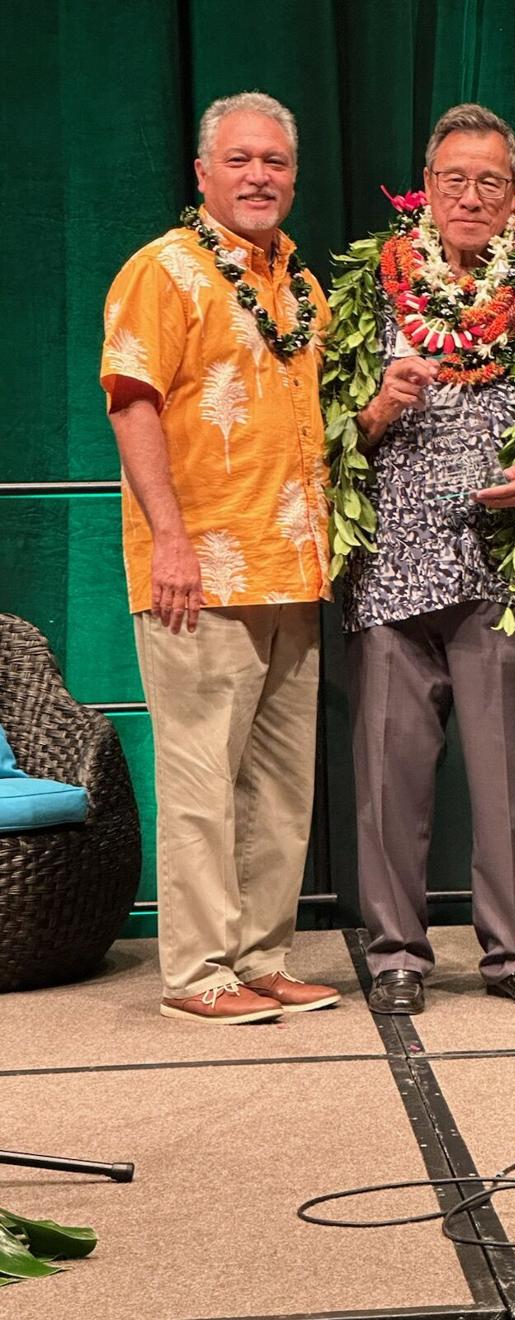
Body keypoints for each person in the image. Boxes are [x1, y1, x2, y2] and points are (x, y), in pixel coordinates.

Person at [324, 103, 515, 1015]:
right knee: (387, 778)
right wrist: (377, 409)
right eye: (454, 178)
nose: (471, 195)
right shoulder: (370, 287)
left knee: (507, 781)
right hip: (393, 564)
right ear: (426, 186)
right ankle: (398, 954)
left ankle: (513, 952)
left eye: (490, 180)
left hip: (512, 567)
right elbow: (324, 435)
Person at [100, 92, 340, 1023]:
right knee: (202, 778)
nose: (259, 177)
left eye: (274, 161)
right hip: (197, 568)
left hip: (296, 566)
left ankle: (261, 955)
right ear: (202, 174)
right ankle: (198, 973)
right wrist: (169, 539)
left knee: (282, 785)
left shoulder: (303, 286)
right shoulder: (163, 271)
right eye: (239, 160)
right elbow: (132, 403)